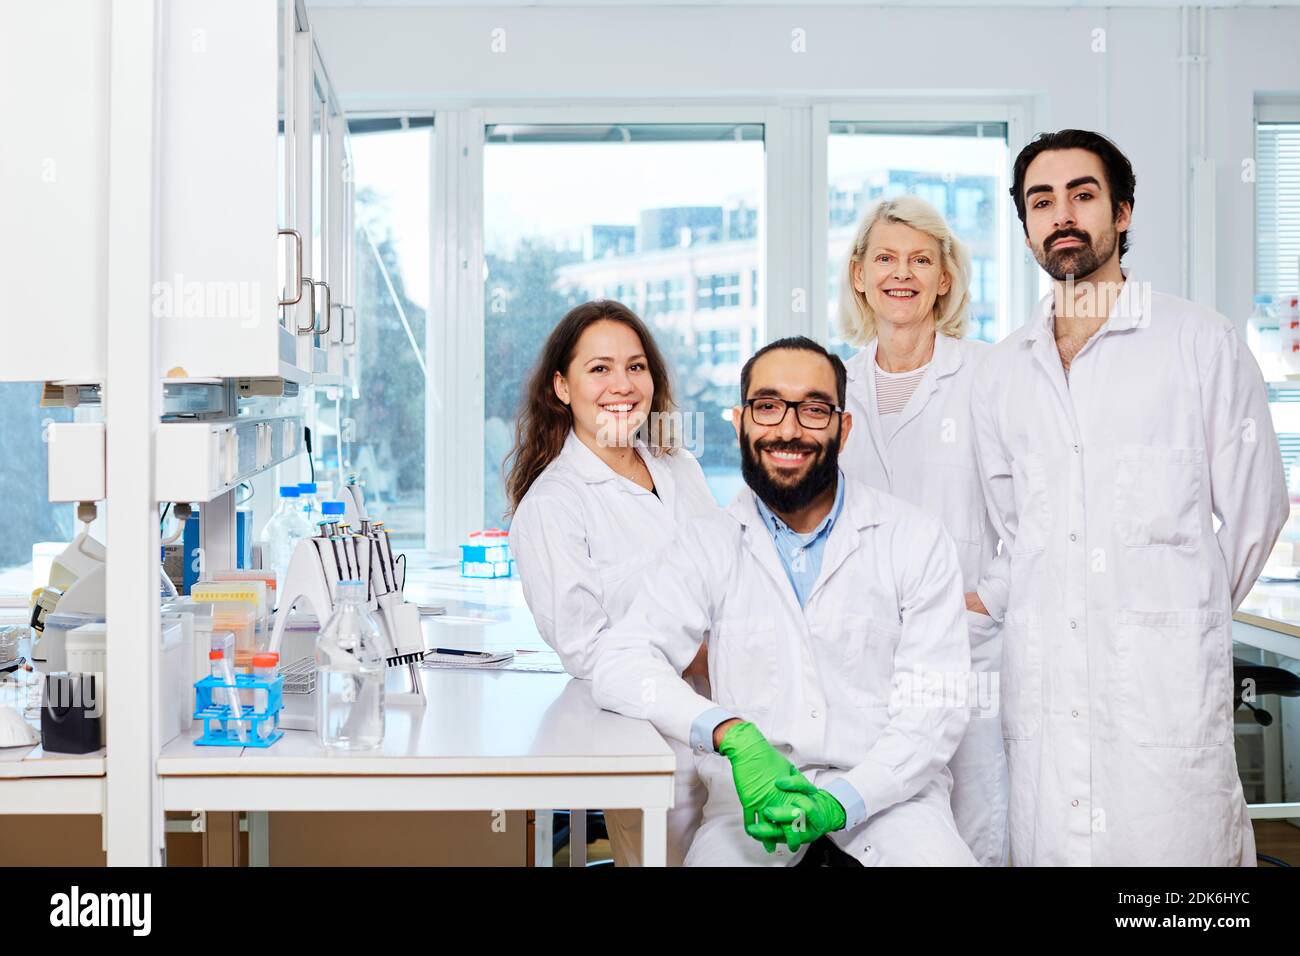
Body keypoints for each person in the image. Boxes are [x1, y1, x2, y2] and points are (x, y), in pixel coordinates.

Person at [971, 129, 1288, 866]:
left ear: (1123, 213)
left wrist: (1177, 610)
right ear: (1024, 226)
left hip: (1163, 695)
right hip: (1046, 695)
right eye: (1041, 201)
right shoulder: (1002, 374)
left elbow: (1256, 511)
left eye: (1083, 194)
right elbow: (1016, 535)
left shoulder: (1199, 343)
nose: (1063, 215)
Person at [592, 336, 977, 866]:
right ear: (740, 422)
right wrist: (730, 732)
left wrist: (841, 800)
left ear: (843, 430)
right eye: (768, 407)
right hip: (747, 810)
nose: (788, 429)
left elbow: (935, 708)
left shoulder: (914, 539)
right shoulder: (707, 543)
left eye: (814, 409)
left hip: (893, 803)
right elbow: (619, 664)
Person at [507, 300, 718, 866]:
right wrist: (694, 659)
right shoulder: (554, 506)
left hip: (738, 707)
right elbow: (588, 651)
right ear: (562, 386)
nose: (621, 384)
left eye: (635, 366)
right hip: (653, 739)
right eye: (598, 369)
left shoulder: (681, 468)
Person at [836, 194, 1010, 866]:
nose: (900, 273)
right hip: (864, 648)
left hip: (966, 648)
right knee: (883, 825)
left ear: (945, 277)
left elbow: (1034, 516)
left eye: (919, 259)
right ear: (859, 273)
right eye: (884, 257)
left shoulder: (988, 375)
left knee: (974, 828)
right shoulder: (836, 383)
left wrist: (986, 601)